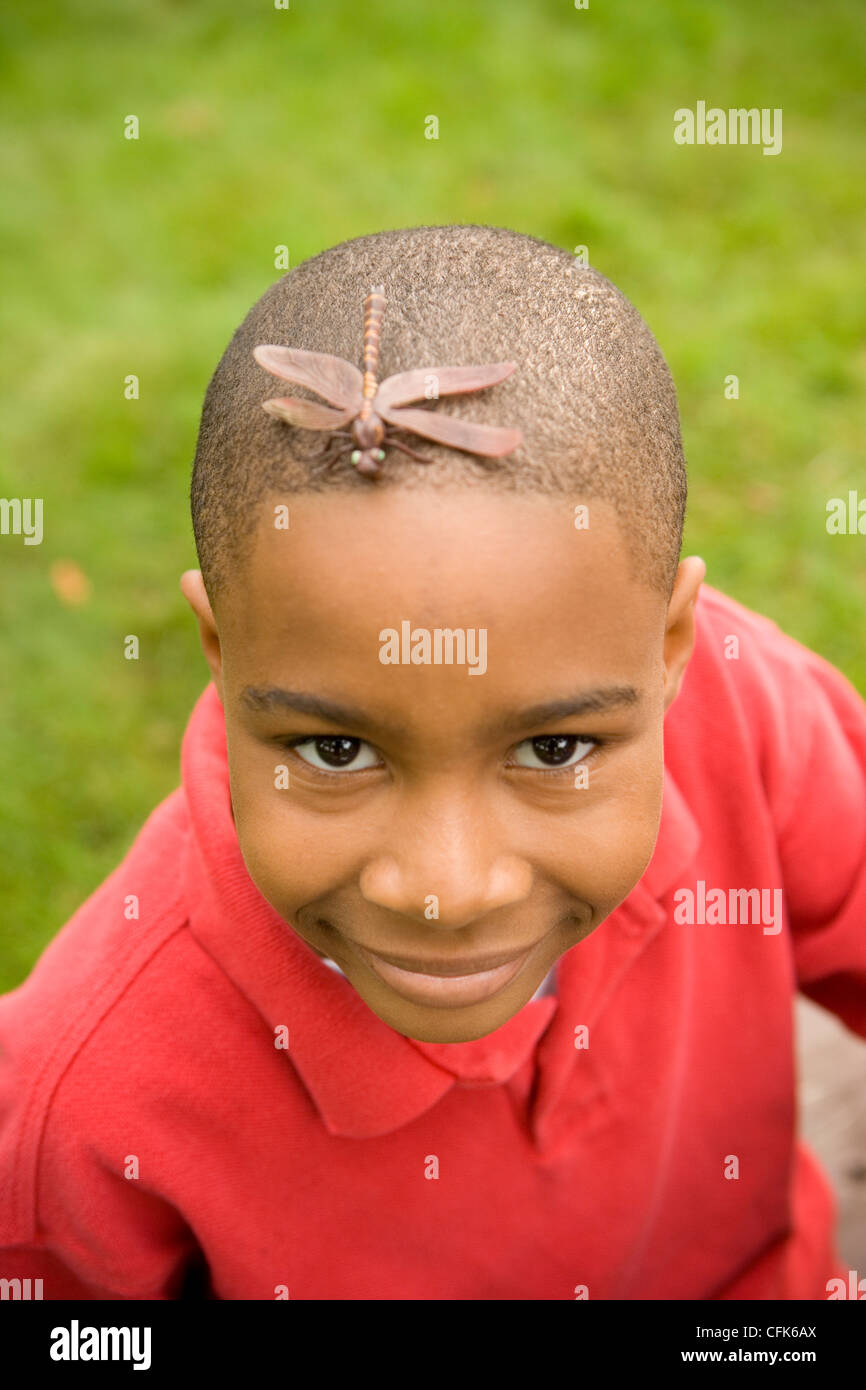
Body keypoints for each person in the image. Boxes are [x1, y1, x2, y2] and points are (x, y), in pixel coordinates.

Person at [1, 224, 863, 1300]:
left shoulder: (746, 710)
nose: (447, 889)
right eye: (335, 748)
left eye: (554, 749)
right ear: (220, 652)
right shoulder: (75, 1107)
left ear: (671, 650)